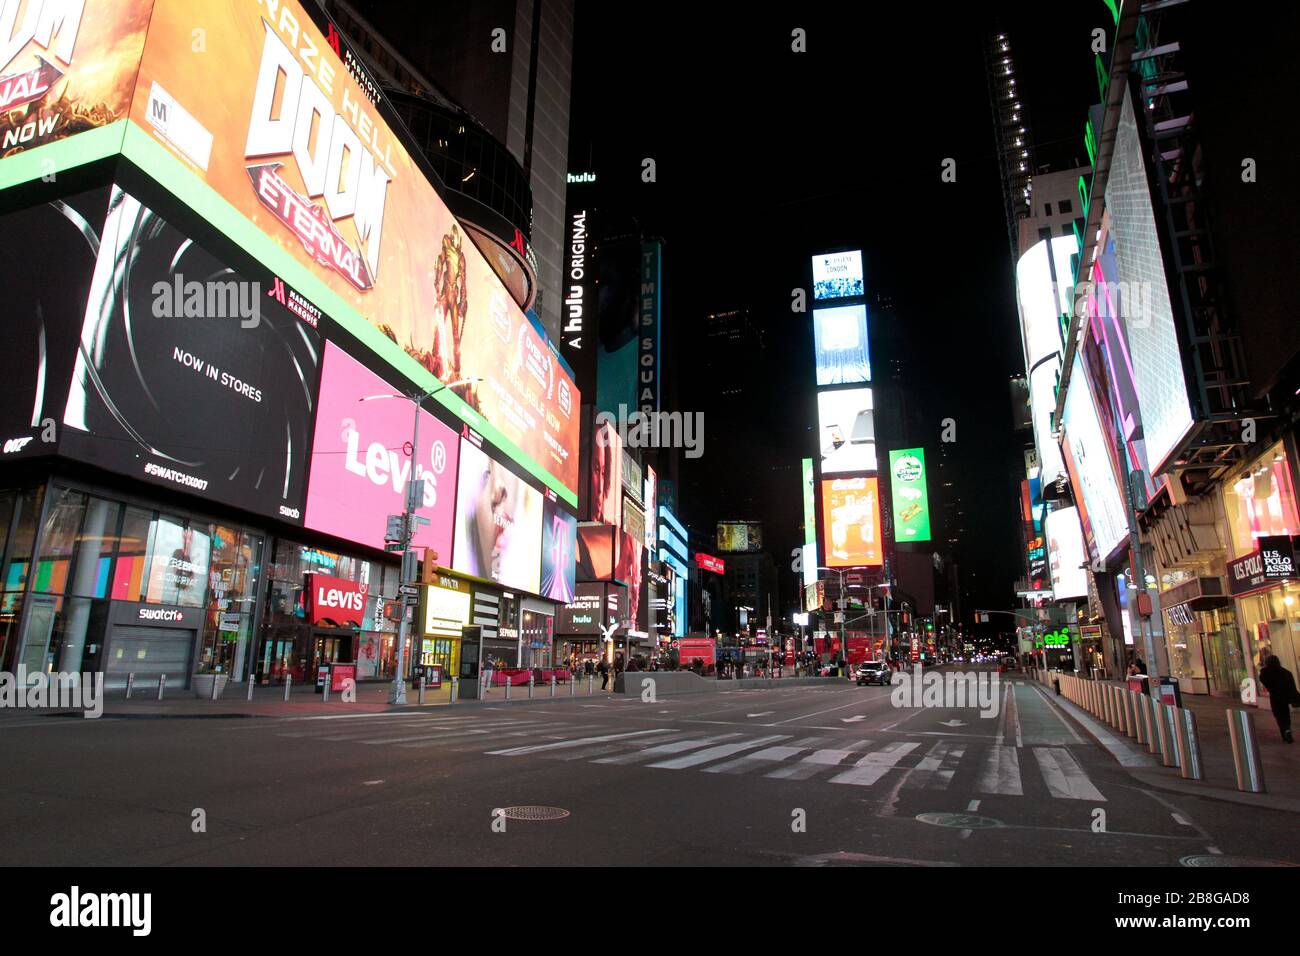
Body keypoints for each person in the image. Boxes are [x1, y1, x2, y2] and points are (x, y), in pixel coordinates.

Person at [1258, 655, 1299, 743]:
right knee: (1285, 715)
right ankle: (1287, 729)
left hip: (1275, 697)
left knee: (1278, 715)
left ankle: (1284, 732)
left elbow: (1262, 678)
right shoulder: (1285, 672)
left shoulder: (1266, 672)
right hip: (1284, 697)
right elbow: (1292, 686)